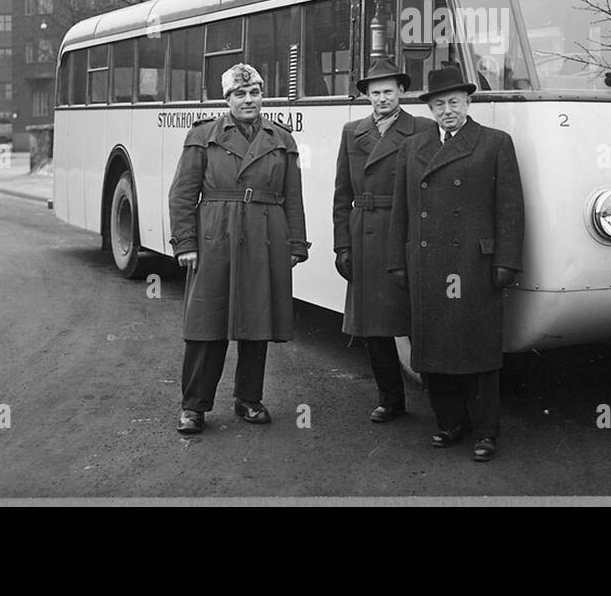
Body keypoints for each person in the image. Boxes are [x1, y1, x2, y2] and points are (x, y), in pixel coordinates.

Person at [387, 65, 525, 462]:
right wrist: (398, 260)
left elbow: (511, 208)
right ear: (430, 108)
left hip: (474, 264)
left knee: (477, 352)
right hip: (427, 262)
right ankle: (450, 423)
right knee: (434, 350)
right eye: (439, 104)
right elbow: (402, 210)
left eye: (454, 102)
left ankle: (486, 432)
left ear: (468, 102)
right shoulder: (413, 147)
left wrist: (507, 261)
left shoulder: (495, 143)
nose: (447, 110)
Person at [168, 63, 309, 435]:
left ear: (263, 96)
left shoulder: (281, 138)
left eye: (255, 93)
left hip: (266, 234)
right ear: (227, 99)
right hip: (216, 234)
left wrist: (296, 243)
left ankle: (248, 399)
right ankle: (194, 407)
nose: (248, 100)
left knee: (256, 320)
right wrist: (185, 242)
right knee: (206, 323)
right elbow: (183, 193)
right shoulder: (204, 136)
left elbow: (293, 196)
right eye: (240, 94)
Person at [332, 59, 436, 422]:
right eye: (374, 93)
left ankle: (442, 404)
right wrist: (342, 245)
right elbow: (342, 192)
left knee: (415, 320)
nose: (381, 99)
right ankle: (390, 399)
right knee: (373, 326)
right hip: (366, 235)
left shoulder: (423, 127)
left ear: (401, 92)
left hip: (406, 230)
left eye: (388, 91)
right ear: (366, 96)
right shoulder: (352, 131)